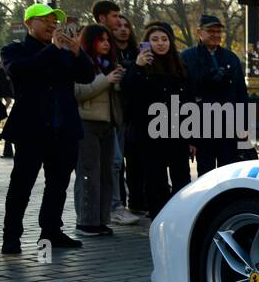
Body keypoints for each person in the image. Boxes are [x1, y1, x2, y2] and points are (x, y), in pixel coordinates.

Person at [1, 3, 96, 255]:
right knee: (22, 184)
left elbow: (87, 76)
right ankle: (11, 237)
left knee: (58, 184)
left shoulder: (65, 52)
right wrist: (54, 49)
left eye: (55, 21)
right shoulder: (15, 50)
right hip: (30, 130)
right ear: (28, 24)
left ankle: (51, 232)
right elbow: (21, 71)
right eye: (46, 20)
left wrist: (78, 53)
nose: (53, 25)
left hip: (64, 129)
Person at [123, 21, 194, 219]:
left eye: (164, 39)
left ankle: (182, 214)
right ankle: (159, 217)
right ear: (147, 43)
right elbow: (129, 91)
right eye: (154, 40)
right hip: (150, 133)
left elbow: (189, 102)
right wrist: (138, 66)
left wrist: (192, 137)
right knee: (155, 179)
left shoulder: (180, 66)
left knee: (182, 176)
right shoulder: (139, 67)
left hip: (177, 131)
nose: (160, 43)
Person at [73, 24, 125, 236]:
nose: (105, 43)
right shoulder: (80, 62)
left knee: (106, 175)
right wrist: (107, 80)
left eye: (107, 40)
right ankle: (86, 222)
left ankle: (102, 220)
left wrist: (118, 81)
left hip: (108, 124)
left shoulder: (109, 64)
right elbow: (78, 92)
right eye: (100, 39)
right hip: (87, 124)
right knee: (88, 174)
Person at [181, 14, 249, 173]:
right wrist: (189, 136)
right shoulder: (187, 58)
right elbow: (184, 97)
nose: (216, 35)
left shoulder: (231, 58)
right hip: (202, 129)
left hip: (229, 128)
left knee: (230, 174)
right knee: (206, 175)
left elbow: (241, 94)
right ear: (199, 32)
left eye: (218, 31)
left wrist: (246, 127)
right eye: (211, 31)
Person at [108, 14, 145, 224]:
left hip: (134, 113)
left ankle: (137, 202)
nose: (123, 30)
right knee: (116, 161)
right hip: (114, 112)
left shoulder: (138, 51)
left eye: (126, 26)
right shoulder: (109, 52)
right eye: (118, 26)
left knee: (134, 160)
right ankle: (117, 205)